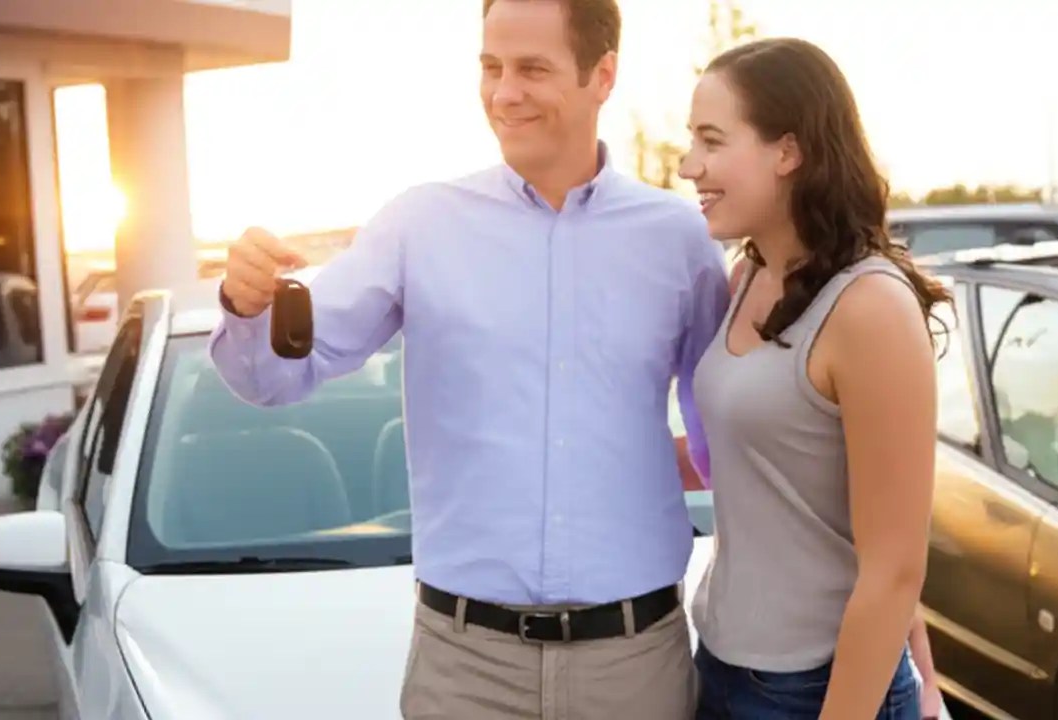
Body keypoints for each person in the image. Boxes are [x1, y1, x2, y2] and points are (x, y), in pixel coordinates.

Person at [209, 0, 728, 717]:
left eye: (533, 69)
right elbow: (275, 378)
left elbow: (730, 444)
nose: (504, 92)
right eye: (491, 67)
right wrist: (245, 307)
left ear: (602, 75)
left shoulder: (680, 241)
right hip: (466, 673)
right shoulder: (419, 226)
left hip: (634, 666)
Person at [679, 37, 952, 719]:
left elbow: (894, 568)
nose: (688, 165)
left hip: (815, 691)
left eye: (712, 140)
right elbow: (769, 466)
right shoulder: (746, 279)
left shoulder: (870, 308)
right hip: (718, 664)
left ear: (788, 152)